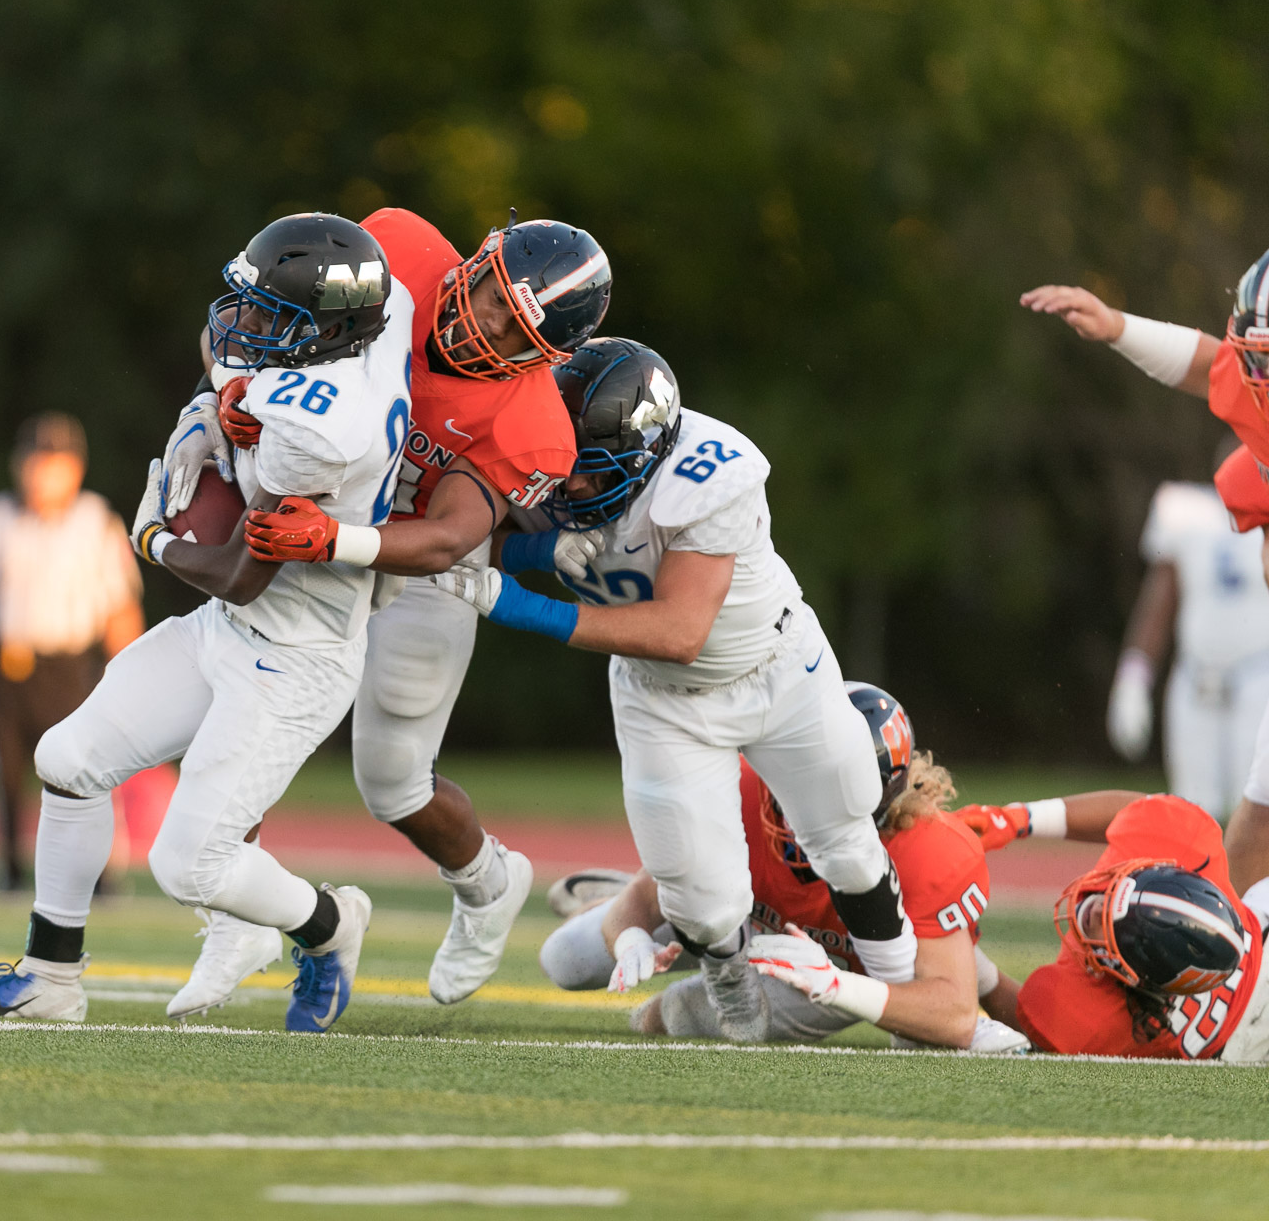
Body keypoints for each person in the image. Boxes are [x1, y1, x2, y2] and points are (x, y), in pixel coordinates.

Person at [0, 212, 409, 1031]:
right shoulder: (374, 320)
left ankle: (329, 926)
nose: (243, 324)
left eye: (269, 318)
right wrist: (203, 415)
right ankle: (50, 976)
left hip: (295, 655)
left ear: (322, 334)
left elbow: (238, 576)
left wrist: (151, 537)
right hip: (228, 632)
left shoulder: (319, 436)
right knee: (68, 759)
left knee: (189, 864)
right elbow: (224, 358)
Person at [160, 208, 612, 1015]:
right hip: (306, 518)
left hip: (399, 560)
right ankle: (235, 916)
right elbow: (250, 315)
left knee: (392, 781)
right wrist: (223, 393)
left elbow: (446, 539)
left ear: (549, 359)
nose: (484, 322)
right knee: (231, 703)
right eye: (490, 295)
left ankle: (488, 883)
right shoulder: (397, 248)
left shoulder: (535, 424)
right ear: (475, 261)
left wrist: (335, 538)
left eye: (514, 331)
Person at [437, 338, 918, 1041]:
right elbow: (474, 529)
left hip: (776, 667)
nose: (566, 487)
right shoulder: (546, 446)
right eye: (560, 465)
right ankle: (728, 981)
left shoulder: (709, 473)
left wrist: (517, 603)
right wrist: (531, 549)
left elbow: (679, 631)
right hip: (661, 696)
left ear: (643, 451)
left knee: (844, 838)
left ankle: (908, 998)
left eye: (586, 469)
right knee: (702, 901)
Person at [539, 684, 1029, 1053]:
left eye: (830, 792)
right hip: (737, 914)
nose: (803, 816)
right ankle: (646, 904)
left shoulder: (928, 851)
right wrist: (629, 938)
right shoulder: (743, 787)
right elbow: (643, 902)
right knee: (564, 959)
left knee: (671, 1017)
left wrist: (839, 987)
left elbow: (954, 1015)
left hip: (828, 965)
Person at [1022, 263, 1269, 892]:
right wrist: (1116, 327)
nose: (1258, 378)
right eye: (1259, 355)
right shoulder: (1252, 392)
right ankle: (1226, 963)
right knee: (1256, 824)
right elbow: (1208, 364)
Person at [0, 412, 146, 889]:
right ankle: (8, 869)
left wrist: (130, 677)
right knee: (3, 769)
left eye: (55, 463)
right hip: (10, 664)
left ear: (76, 469)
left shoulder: (98, 522)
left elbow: (119, 609)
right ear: (18, 465)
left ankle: (96, 873)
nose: (43, 473)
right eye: (35, 461)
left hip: (69, 666)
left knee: (82, 772)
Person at [956, 791, 1269, 1062]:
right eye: (1118, 888)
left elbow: (1029, 1020)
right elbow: (1137, 812)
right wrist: (1017, 818)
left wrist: (970, 960)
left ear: (1136, 981)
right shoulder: (1187, 843)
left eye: (1118, 931)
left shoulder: (1098, 1018)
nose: (1098, 905)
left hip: (1248, 1040)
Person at [1107, 448, 1269, 821]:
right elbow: (1159, 600)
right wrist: (1133, 677)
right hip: (1196, 681)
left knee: (1258, 814)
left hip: (1259, 680)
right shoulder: (1183, 510)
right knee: (1190, 816)